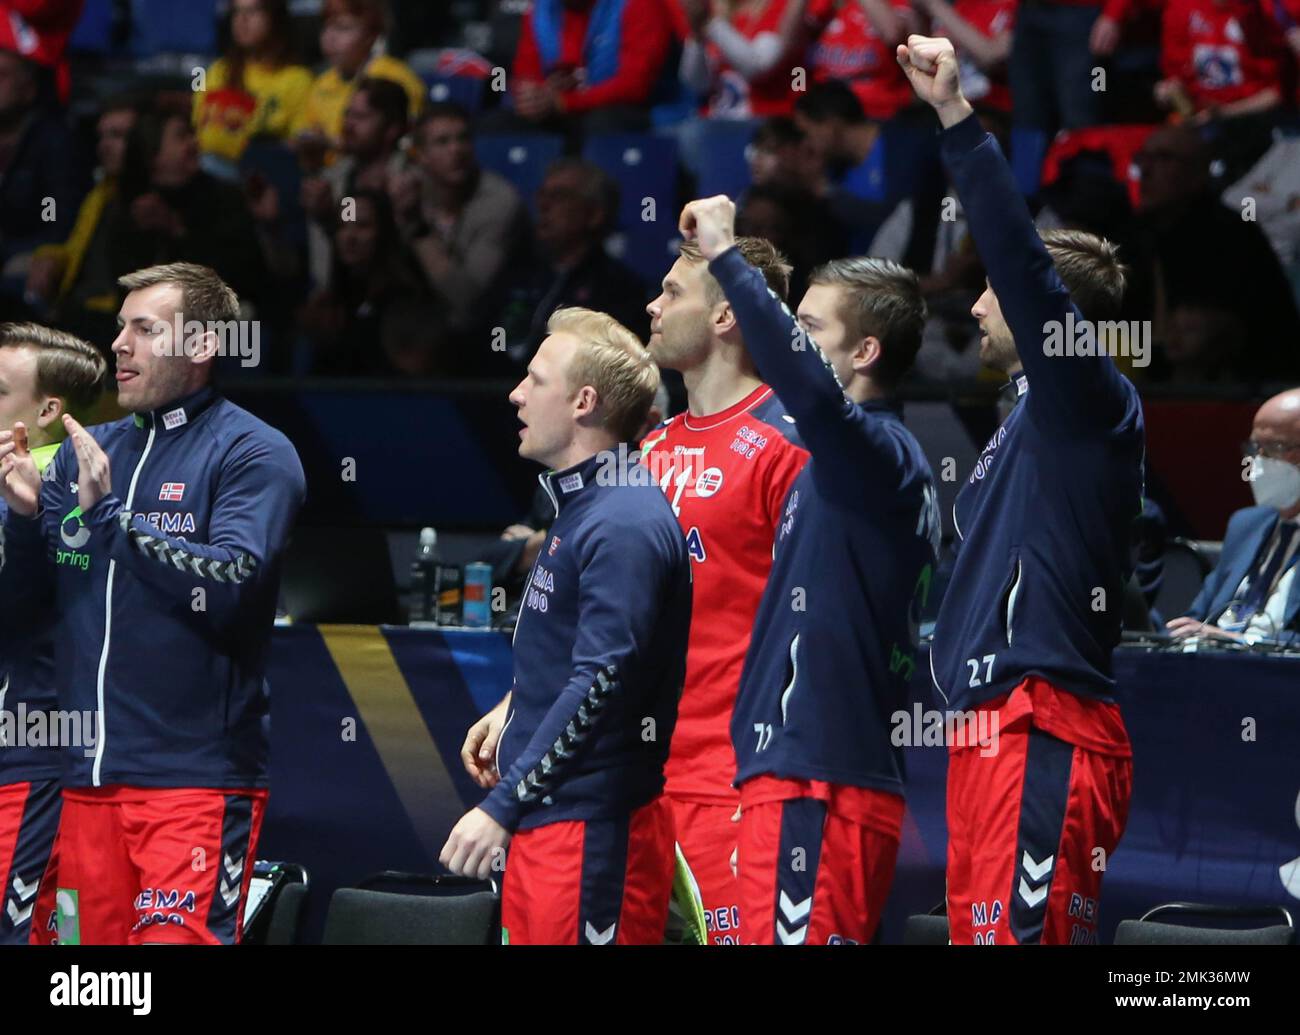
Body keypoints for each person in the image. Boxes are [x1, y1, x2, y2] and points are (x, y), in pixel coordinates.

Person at [898, 34, 1145, 945]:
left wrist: (958, 120)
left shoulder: (1089, 391)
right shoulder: (1028, 424)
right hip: (987, 730)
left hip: (1043, 726)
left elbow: (1026, 270)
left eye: (993, 290)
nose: (976, 304)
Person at [0, 262, 306, 944]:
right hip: (84, 786)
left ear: (200, 347)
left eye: (144, 328)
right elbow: (28, 615)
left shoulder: (254, 451)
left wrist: (110, 521)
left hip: (191, 780)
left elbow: (230, 582)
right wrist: (24, 522)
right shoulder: (94, 450)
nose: (120, 345)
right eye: (119, 328)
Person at [676, 198, 938, 945]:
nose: (793, 339)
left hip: (823, 778)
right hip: (805, 772)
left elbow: (811, 394)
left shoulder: (879, 455)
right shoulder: (845, 467)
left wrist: (727, 253)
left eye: (810, 328)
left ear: (866, 353)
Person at [442, 307, 691, 946]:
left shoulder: (624, 519)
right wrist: (517, 705)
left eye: (535, 379)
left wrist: (502, 805)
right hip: (553, 824)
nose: (515, 393)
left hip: (590, 831)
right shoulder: (587, 507)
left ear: (584, 402)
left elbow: (605, 678)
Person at [641, 236, 809, 944]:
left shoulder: (788, 443)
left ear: (724, 317)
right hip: (640, 781)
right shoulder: (648, 449)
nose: (652, 305)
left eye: (673, 291)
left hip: (735, 783)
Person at [0, 322, 105, 945]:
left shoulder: (47, 485)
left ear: (47, 410)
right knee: (59, 931)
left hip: (29, 754)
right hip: (43, 756)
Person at [389, 103, 527, 355]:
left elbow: (467, 299)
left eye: (463, 139)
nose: (456, 150)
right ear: (420, 155)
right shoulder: (407, 191)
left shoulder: (499, 201)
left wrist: (417, 229)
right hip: (412, 328)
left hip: (482, 336)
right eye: (442, 142)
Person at [1168, 388, 1300, 646]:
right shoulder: (1246, 525)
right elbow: (1197, 619)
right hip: (1212, 668)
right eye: (1255, 447)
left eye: (1275, 447)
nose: (1258, 461)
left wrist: (1240, 642)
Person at [498, 159, 650, 365]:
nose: (543, 205)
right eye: (542, 194)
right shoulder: (517, 273)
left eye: (559, 196)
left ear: (594, 214)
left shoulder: (619, 289)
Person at [24, 97, 139, 345]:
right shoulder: (98, 195)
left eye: (117, 136)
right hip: (75, 309)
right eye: (102, 137)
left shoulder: (149, 204)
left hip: (110, 321)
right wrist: (51, 255)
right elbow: (75, 250)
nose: (104, 146)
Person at [506, 0, 674, 133]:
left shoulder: (640, 4)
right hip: (559, 110)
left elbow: (635, 85)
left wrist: (564, 101)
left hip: (627, 109)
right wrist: (535, 95)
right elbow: (525, 73)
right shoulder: (541, 10)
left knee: (605, 122)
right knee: (501, 124)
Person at [293, 0, 425, 161]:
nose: (330, 37)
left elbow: (409, 143)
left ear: (371, 35)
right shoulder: (321, 83)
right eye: (326, 27)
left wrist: (332, 144)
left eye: (343, 28)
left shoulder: (397, 78)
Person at [193, 0, 313, 172]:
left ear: (275, 18)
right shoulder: (217, 70)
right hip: (205, 171)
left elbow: (298, 145)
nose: (242, 19)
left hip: (259, 177)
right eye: (237, 12)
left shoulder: (298, 80)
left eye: (253, 11)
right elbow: (197, 128)